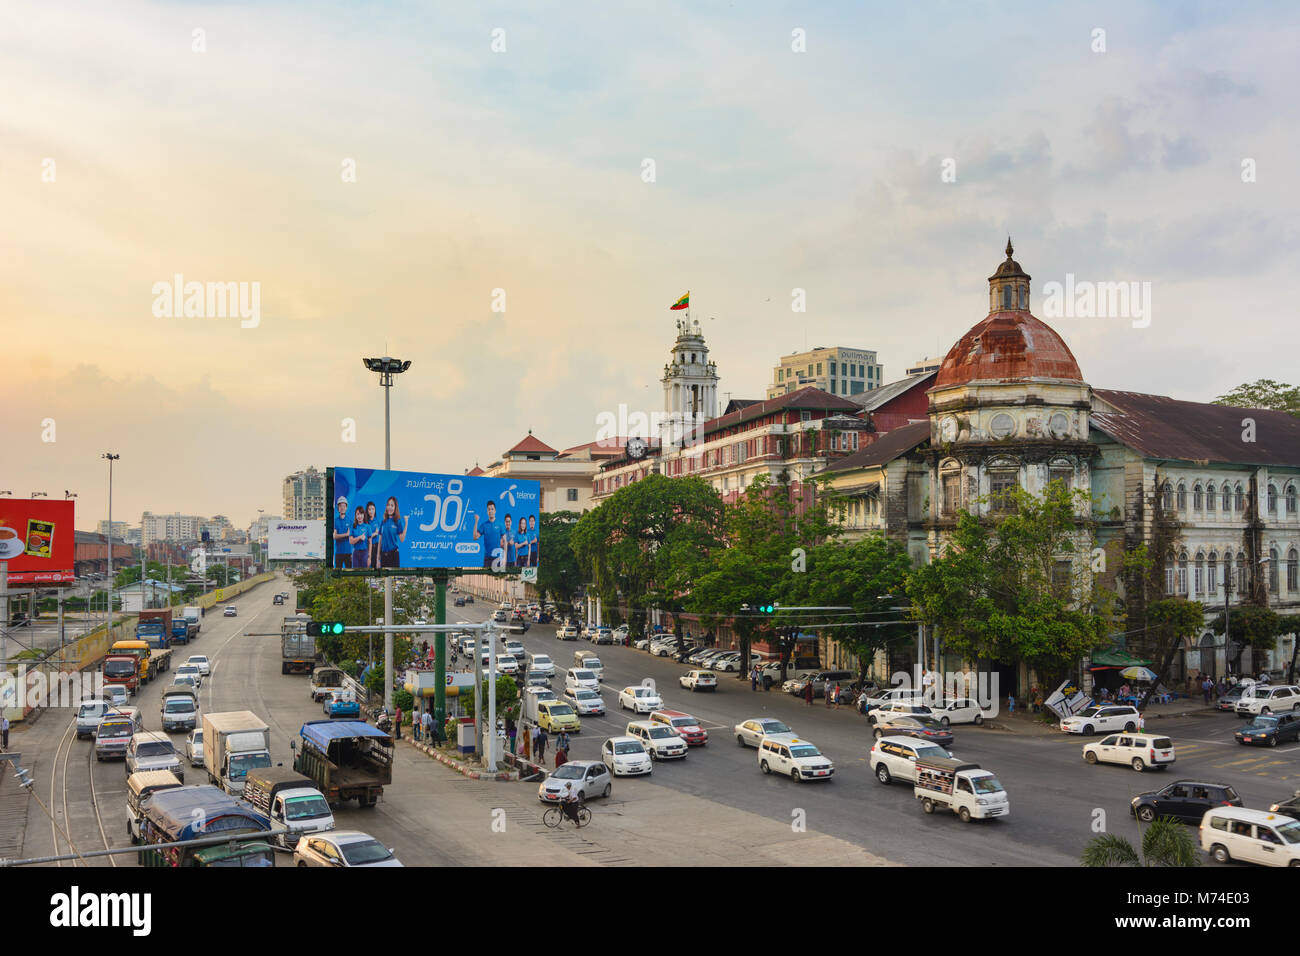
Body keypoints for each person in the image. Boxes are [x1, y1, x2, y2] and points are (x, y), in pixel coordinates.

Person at [378, 496, 409, 568]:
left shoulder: (398, 521)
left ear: (395, 508)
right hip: (383, 556)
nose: (389, 507)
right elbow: (380, 541)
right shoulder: (383, 522)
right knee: (384, 577)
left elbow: (402, 539)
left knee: (394, 577)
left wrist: (406, 523)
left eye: (392, 505)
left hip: (394, 555)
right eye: (388, 505)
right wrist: (378, 558)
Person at [473, 500, 504, 569]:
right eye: (489, 509)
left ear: (495, 510)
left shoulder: (500, 525)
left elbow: (505, 541)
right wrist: (476, 521)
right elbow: (475, 537)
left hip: (497, 558)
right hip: (487, 558)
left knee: (497, 577)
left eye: (492, 509)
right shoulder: (484, 525)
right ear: (487, 511)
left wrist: (503, 558)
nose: (490, 511)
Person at [332, 496, 353, 569]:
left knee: (350, 575)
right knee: (337, 575)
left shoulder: (350, 521)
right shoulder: (335, 521)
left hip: (348, 552)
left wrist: (340, 535)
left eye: (344, 506)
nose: (342, 508)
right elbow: (334, 536)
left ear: (346, 507)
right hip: (338, 553)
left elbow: (351, 535)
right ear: (338, 508)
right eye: (340, 506)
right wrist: (346, 534)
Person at [366, 501, 381, 568]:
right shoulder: (366, 522)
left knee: (376, 565)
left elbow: (379, 533)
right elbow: (366, 536)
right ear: (367, 511)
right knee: (367, 565)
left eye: (373, 509)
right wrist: (374, 533)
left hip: (376, 546)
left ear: (375, 510)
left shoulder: (377, 521)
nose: (371, 511)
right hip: (368, 546)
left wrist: (372, 534)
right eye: (369, 509)